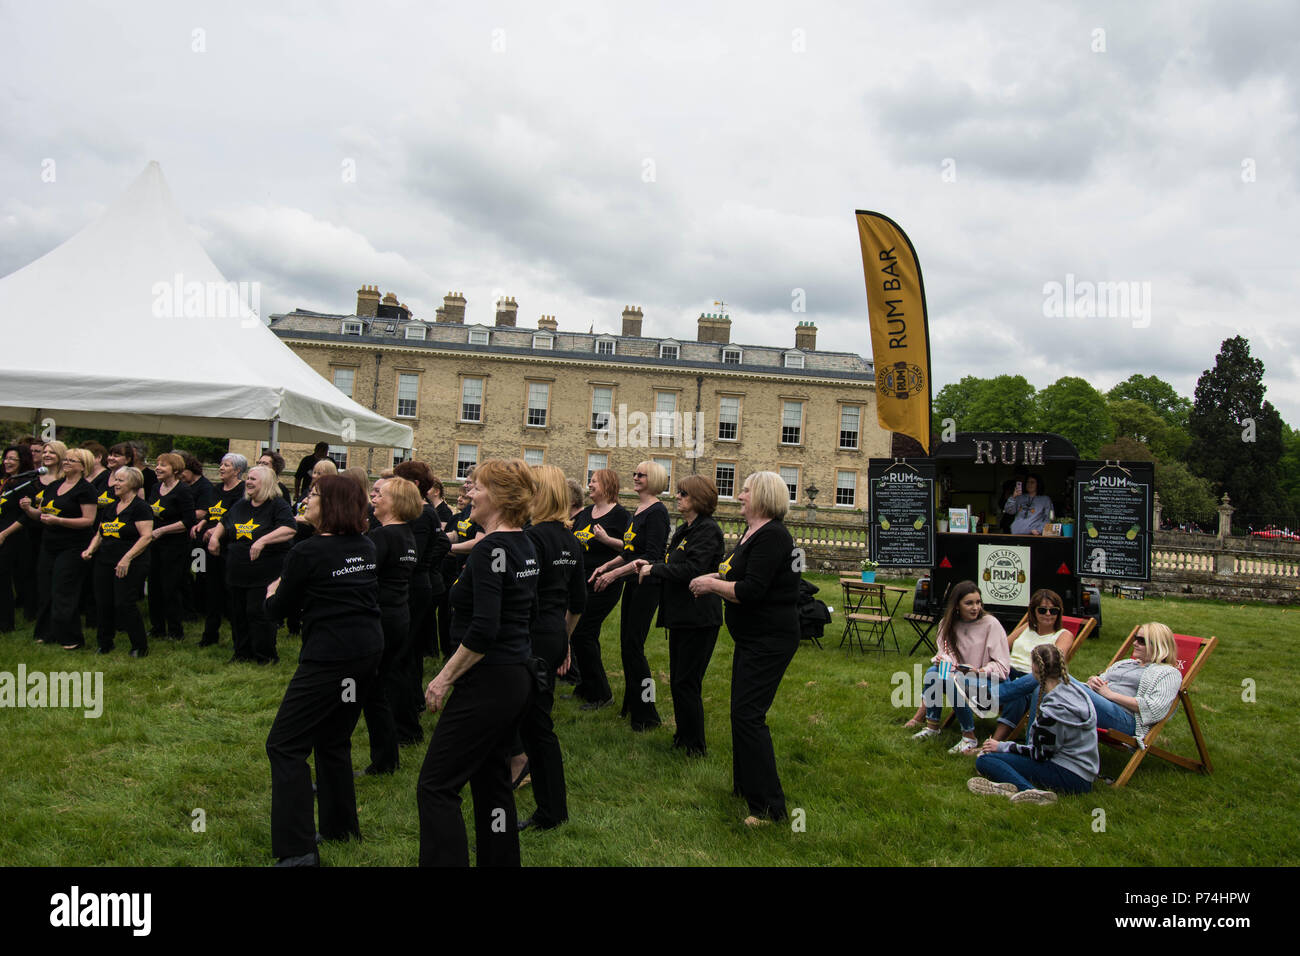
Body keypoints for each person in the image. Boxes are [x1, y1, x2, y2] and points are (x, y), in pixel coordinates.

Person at [417, 459, 538, 867]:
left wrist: (443, 678)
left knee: (435, 785)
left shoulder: (492, 549)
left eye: (477, 488)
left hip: (489, 681)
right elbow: (526, 615)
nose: (468, 494)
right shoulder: (525, 544)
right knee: (492, 784)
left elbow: (485, 630)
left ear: (501, 497)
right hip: (514, 678)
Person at [265, 475, 384, 866]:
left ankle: (298, 851)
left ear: (330, 504)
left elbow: (280, 609)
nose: (306, 502)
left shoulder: (309, 551)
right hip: (365, 650)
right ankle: (339, 826)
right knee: (333, 739)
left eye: (313, 496)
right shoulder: (364, 545)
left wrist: (272, 593)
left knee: (284, 745)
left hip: (330, 657)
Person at [689, 471, 801, 825]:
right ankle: (745, 786)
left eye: (746, 490)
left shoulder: (773, 537)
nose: (739, 495)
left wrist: (711, 586)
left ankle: (770, 809)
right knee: (740, 712)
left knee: (749, 716)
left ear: (763, 496)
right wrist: (717, 578)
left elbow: (751, 590)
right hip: (752, 638)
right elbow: (739, 575)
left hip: (770, 640)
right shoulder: (753, 534)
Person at [634, 474, 724, 756]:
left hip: (699, 617)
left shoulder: (707, 530)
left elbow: (693, 570)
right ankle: (683, 737)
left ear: (697, 498)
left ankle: (695, 746)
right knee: (679, 680)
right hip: (681, 616)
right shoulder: (686, 530)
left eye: (683, 493)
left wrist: (655, 570)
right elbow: (673, 563)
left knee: (687, 682)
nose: (677, 497)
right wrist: (650, 564)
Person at [519, 465, 587, 830]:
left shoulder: (533, 538)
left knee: (534, 723)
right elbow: (578, 601)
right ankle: (551, 807)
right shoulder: (569, 539)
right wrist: (564, 640)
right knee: (537, 721)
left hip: (530, 635)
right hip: (552, 634)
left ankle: (549, 809)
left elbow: (524, 598)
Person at [590, 461, 669, 731]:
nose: (635, 477)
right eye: (634, 474)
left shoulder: (657, 512)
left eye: (641, 475)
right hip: (634, 585)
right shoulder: (639, 510)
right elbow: (630, 549)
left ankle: (648, 714)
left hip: (648, 586)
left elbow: (650, 555)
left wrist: (614, 575)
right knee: (626, 646)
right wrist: (607, 566)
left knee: (635, 648)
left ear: (654, 479)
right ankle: (632, 705)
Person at [970, 642, 1098, 805]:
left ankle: (1030, 791)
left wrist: (1002, 746)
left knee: (986, 759)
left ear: (1035, 669)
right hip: (1085, 774)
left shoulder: (1053, 710)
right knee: (999, 757)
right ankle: (1007, 787)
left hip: (1068, 775)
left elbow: (1040, 755)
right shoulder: (1077, 692)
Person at [360, 475, 421, 775]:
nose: (375, 498)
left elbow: (364, 578)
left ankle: (384, 760)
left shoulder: (383, 537)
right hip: (398, 616)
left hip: (381, 618)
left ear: (396, 502)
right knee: (380, 686)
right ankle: (387, 756)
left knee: (373, 690)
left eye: (380, 494)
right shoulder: (405, 534)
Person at [208, 465, 296, 664]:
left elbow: (290, 529)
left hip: (264, 571)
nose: (248, 482)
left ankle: (265, 655)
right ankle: (242, 653)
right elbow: (224, 520)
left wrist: (262, 540)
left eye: (253, 479)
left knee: (258, 613)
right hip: (238, 570)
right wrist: (215, 537)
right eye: (248, 478)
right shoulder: (241, 504)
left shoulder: (277, 505)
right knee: (238, 613)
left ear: (265, 483)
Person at [910, 581, 1010, 754]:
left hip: (987, 680)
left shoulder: (990, 624)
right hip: (959, 674)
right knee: (934, 672)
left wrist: (979, 671)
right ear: (957, 605)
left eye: (978, 602)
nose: (975, 607)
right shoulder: (947, 624)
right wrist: (944, 660)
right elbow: (947, 653)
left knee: (953, 680)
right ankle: (932, 727)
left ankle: (969, 736)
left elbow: (1002, 667)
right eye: (969, 603)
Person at [393, 460, 451, 745]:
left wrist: (426, 566)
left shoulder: (421, 514)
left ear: (413, 485)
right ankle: (413, 703)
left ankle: (407, 726)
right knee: (410, 653)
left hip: (415, 589)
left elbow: (432, 548)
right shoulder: (420, 513)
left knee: (403, 656)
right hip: (419, 585)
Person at [20, 446, 98, 649]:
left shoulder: (86, 489)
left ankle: (71, 637)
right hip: (50, 544)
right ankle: (47, 632)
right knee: (45, 588)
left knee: (63, 590)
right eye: (66, 460)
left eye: (72, 461)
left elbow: (88, 520)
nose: (66, 463)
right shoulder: (55, 486)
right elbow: (42, 514)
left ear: (83, 466)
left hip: (73, 546)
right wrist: (29, 509)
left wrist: (59, 521)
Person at [567, 468, 629, 709]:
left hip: (605, 581)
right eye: (589, 480)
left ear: (607, 485)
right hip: (581, 580)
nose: (589, 484)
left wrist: (607, 540)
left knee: (584, 632)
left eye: (594, 481)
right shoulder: (585, 514)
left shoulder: (620, 515)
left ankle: (602, 694)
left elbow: (630, 547)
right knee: (579, 634)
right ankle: (584, 687)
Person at [80, 466, 154, 657]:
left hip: (131, 562)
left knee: (124, 603)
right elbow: (101, 532)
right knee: (103, 602)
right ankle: (105, 643)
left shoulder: (140, 507)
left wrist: (126, 558)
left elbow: (146, 537)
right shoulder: (112, 506)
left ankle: (139, 646)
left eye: (120, 480)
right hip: (105, 560)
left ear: (133, 483)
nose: (115, 484)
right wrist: (90, 549)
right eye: (116, 480)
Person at [985, 589, 1075, 743]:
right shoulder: (1026, 628)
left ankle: (993, 739)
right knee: (1002, 683)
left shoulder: (1063, 634)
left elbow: (1053, 661)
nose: (1048, 614)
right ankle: (998, 695)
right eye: (1042, 610)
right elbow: (1002, 647)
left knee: (1019, 696)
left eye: (1053, 610)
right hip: (1008, 673)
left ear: (1059, 613)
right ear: (1033, 611)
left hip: (1033, 677)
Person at [1074, 621, 1182, 741]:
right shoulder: (1125, 663)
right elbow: (1100, 683)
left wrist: (1110, 695)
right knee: (1056, 682)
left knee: (1059, 682)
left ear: (1158, 645)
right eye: (1135, 638)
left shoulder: (1168, 673)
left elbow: (1154, 709)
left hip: (1124, 719)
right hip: (1099, 705)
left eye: (1141, 641)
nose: (1135, 643)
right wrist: (1093, 682)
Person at [194, 454, 247, 648]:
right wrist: (202, 523)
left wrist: (215, 531)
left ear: (238, 470)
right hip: (210, 546)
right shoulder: (216, 489)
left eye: (227, 465)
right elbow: (211, 512)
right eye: (221, 464)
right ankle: (210, 634)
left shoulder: (242, 491)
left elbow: (234, 518)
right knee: (212, 590)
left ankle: (238, 637)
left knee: (230, 592)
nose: (221, 468)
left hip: (228, 548)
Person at [145, 453, 197, 640]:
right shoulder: (155, 488)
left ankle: (175, 631)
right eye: (157, 464)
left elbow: (188, 520)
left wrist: (163, 530)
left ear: (175, 470)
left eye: (163, 465)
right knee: (155, 586)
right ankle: (157, 627)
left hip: (175, 546)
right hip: (155, 544)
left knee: (170, 588)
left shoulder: (183, 490)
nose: (158, 468)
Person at [0, 444, 36, 632]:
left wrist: (4, 534)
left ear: (22, 461)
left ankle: (6, 624)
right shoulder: (4, 481)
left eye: (12, 459)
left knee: (3, 581)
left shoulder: (26, 483)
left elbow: (25, 518)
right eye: (6, 458)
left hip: (11, 537)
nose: (8, 462)